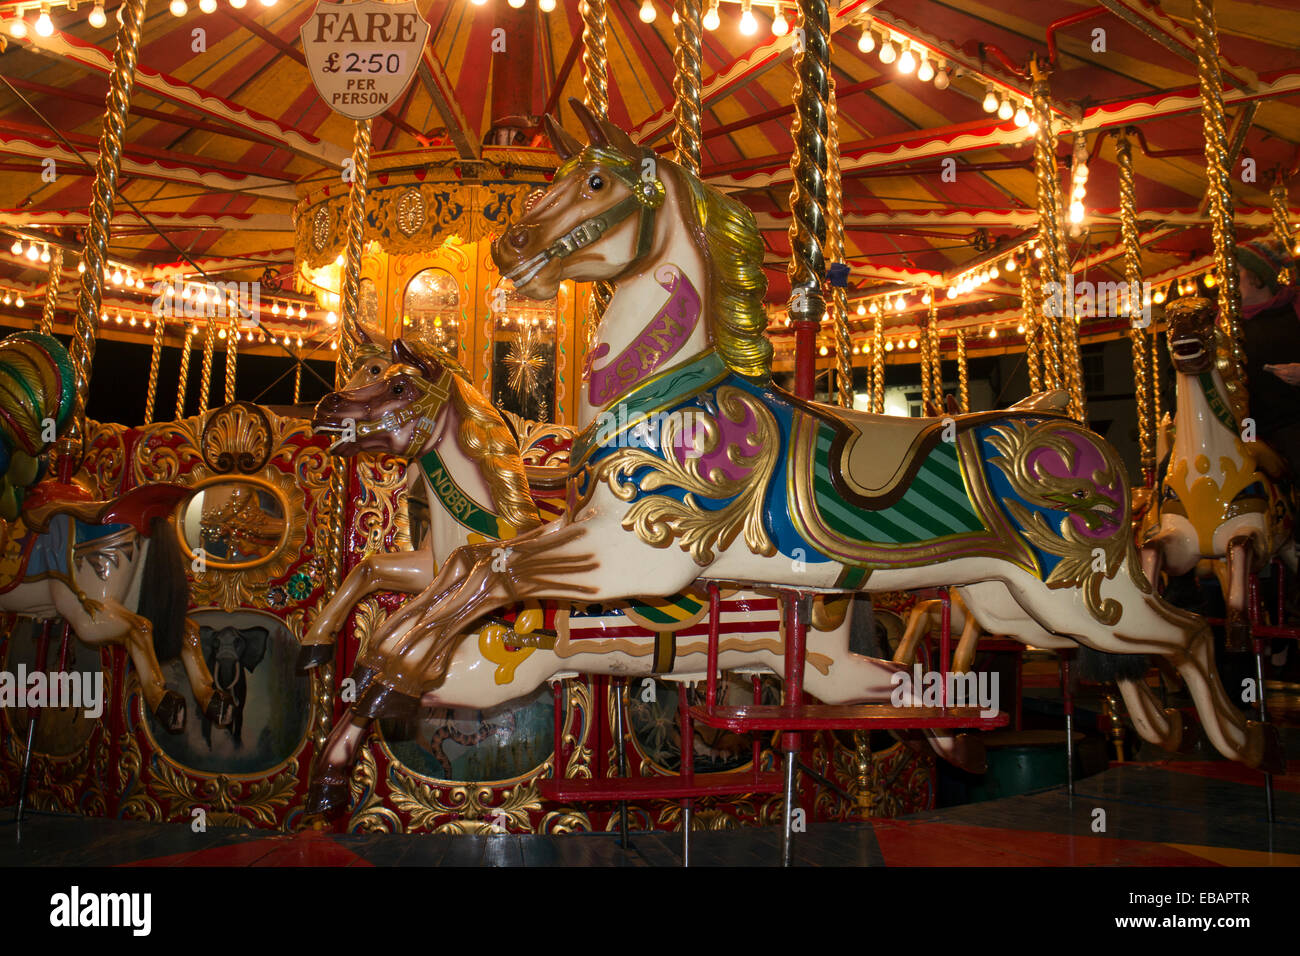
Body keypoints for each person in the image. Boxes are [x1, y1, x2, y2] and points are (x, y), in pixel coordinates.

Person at [1235, 238, 1300, 477]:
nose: (1227, 280)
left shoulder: (1293, 311)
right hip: (1247, 428)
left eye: (1236, 272)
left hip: (1288, 421)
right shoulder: (1226, 324)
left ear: (1257, 277)